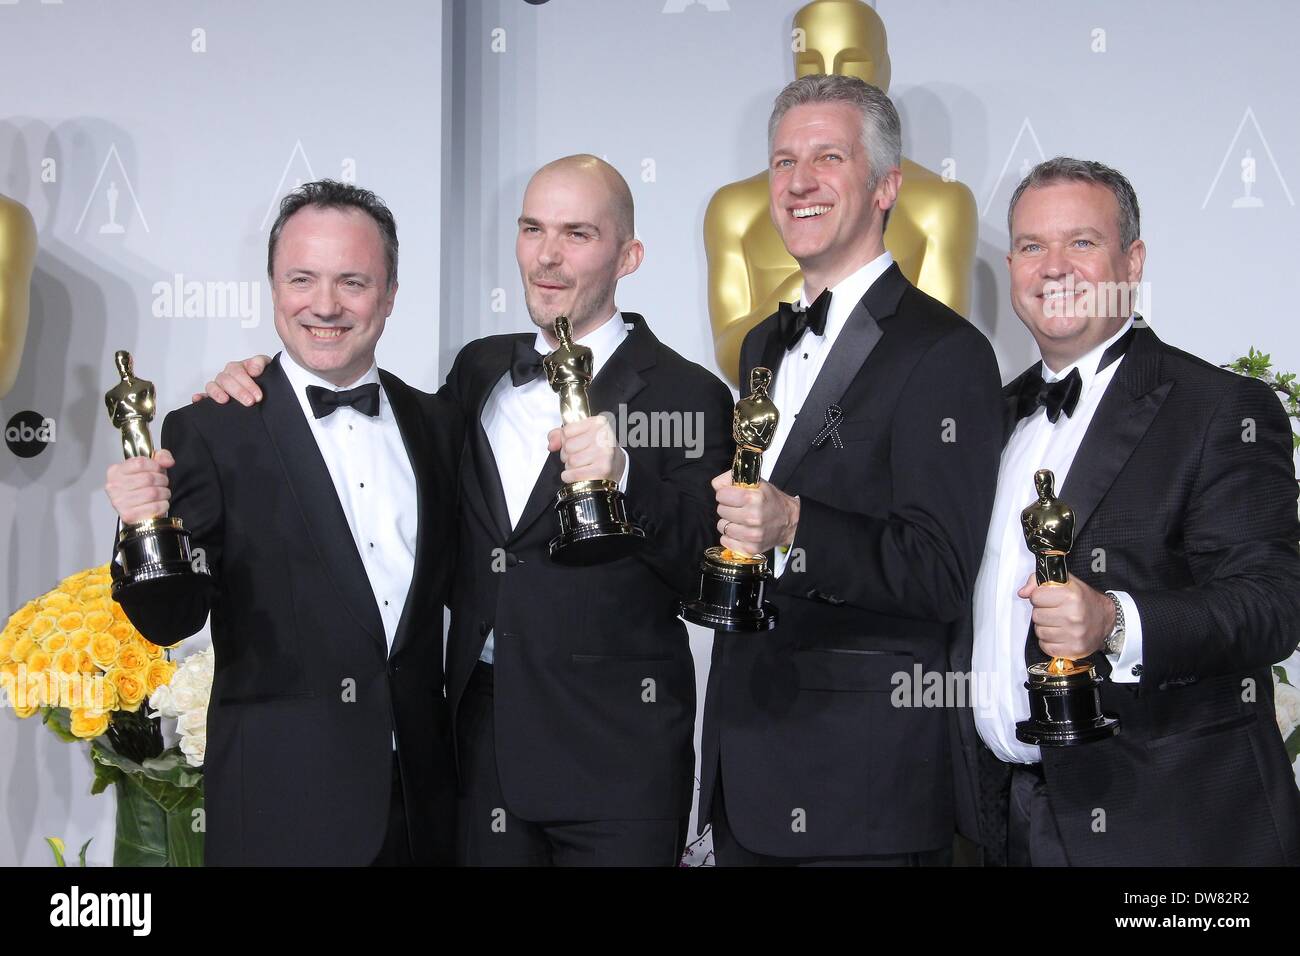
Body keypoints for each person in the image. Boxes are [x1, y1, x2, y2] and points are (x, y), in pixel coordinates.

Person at [204, 156, 734, 866]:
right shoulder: (477, 371)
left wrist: (627, 477)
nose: (547, 255)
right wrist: (267, 381)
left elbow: (709, 576)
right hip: (475, 754)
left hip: (618, 762)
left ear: (628, 255)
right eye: (532, 229)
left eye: (577, 233)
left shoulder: (687, 393)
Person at [104, 180, 462, 865]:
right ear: (272, 287)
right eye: (302, 279)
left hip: (420, 811)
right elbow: (168, 619)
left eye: (352, 282)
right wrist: (141, 526)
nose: (324, 305)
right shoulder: (211, 429)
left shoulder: (439, 424)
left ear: (389, 294)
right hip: (278, 808)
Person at [699, 74, 1004, 865]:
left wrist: (796, 525)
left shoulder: (946, 352)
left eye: (828, 157)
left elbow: (939, 570)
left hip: (863, 786)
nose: (798, 182)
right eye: (782, 160)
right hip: (746, 762)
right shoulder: (764, 342)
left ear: (885, 187)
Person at [961, 156, 1300, 865]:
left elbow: (1272, 605)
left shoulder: (1219, 409)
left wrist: (1116, 621)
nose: (1053, 266)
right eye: (1030, 245)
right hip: (1006, 825)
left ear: (1132, 260)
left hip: (1172, 830)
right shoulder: (987, 421)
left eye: (1081, 242)